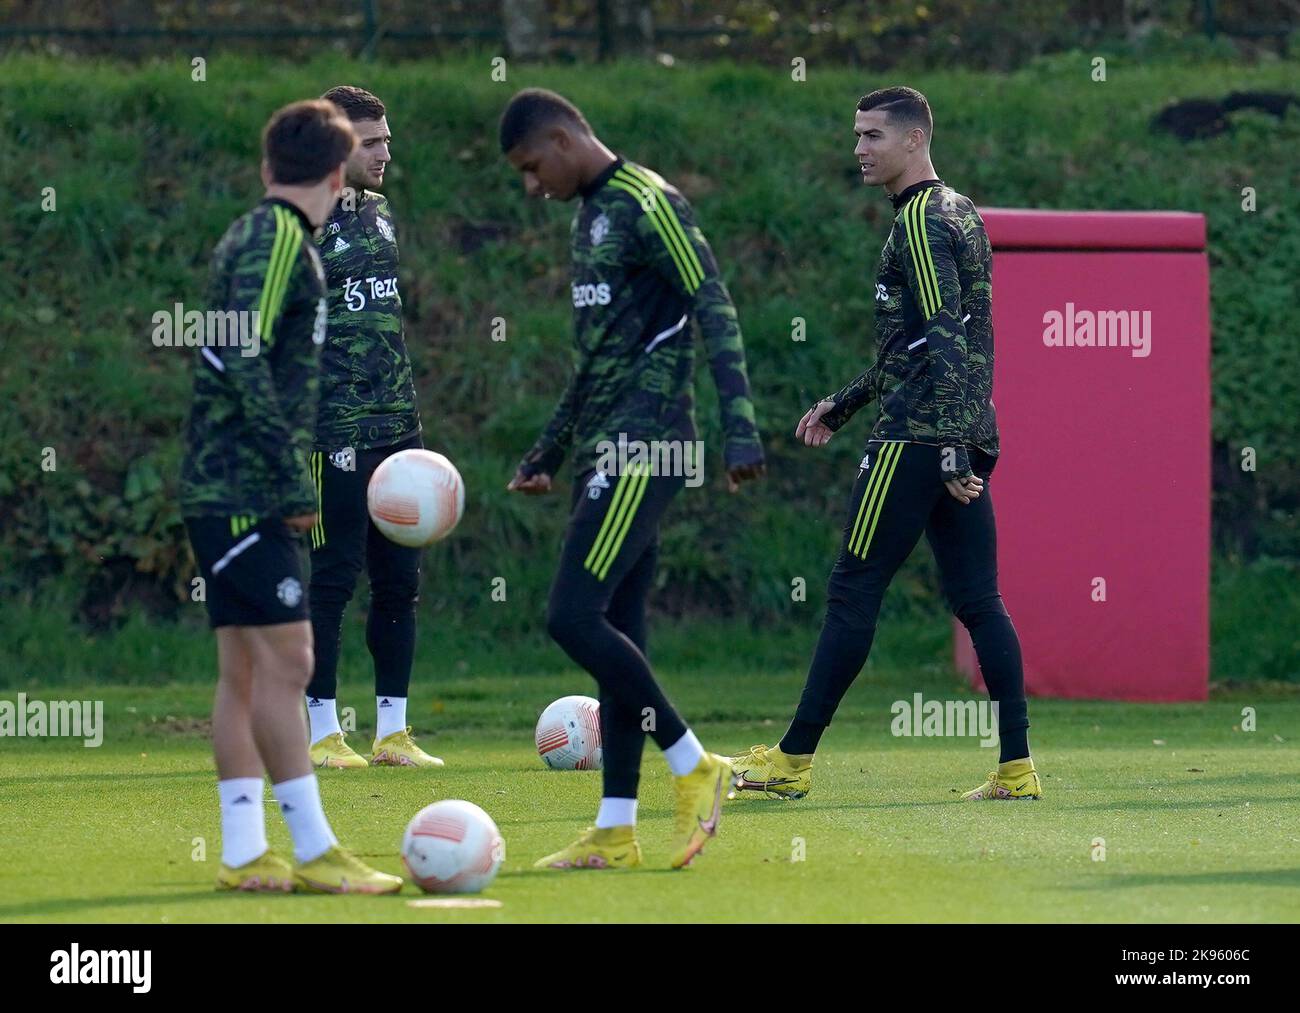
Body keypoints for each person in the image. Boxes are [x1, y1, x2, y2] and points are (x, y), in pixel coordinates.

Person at [730, 86, 1040, 803]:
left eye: (872, 135)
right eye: (856, 135)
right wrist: (846, 401)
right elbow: (923, 343)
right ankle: (1016, 767)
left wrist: (952, 442)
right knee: (979, 598)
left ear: (912, 140)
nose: (859, 149)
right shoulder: (957, 209)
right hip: (951, 427)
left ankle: (793, 759)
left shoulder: (921, 222)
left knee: (851, 588)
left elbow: (943, 330)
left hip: (918, 437)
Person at [500, 88, 766, 869]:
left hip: (646, 445)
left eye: (530, 166)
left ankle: (695, 764)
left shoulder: (651, 202)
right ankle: (616, 831)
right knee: (621, 631)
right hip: (605, 446)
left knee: (570, 614)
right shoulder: (589, 216)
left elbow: (713, 304)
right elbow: (598, 357)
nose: (530, 185)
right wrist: (548, 449)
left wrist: (740, 424)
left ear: (561, 136)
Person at [180, 99, 403, 893]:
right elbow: (234, 360)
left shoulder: (260, 234)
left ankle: (246, 852)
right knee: (291, 658)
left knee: (244, 670)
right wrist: (287, 482)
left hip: (225, 489)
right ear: (336, 173)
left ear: (271, 165)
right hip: (244, 491)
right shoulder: (280, 241)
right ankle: (313, 849)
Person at [302, 85, 441, 770]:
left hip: (398, 427)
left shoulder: (382, 213)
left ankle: (393, 732)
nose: (387, 151)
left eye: (387, 138)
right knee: (333, 575)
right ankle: (321, 731)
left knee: (399, 579)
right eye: (372, 142)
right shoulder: (301, 220)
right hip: (334, 431)